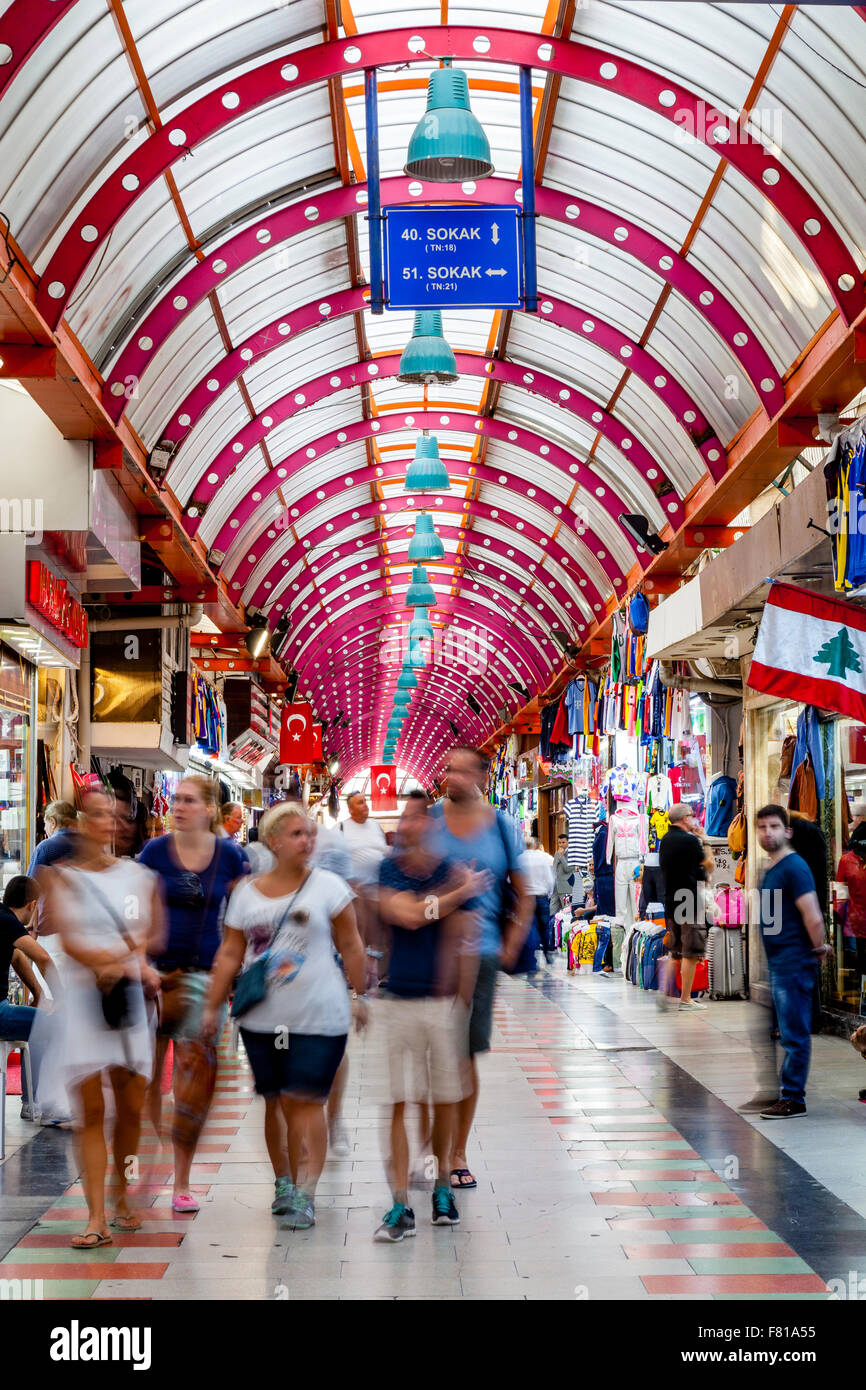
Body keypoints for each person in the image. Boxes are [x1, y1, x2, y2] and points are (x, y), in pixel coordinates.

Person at [204, 800, 367, 1231]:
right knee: (276, 1101)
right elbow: (230, 953)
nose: (307, 841)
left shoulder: (330, 888)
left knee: (307, 1099)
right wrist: (211, 1007)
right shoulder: (245, 895)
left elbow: (351, 944)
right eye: (297, 834)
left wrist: (362, 994)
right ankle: (284, 1182)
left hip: (320, 1016)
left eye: (310, 834)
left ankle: (306, 1192)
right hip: (265, 1021)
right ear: (273, 841)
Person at [41, 790, 164, 1247]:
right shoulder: (62, 878)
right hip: (84, 1004)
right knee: (89, 1112)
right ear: (81, 821)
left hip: (127, 1000)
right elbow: (66, 937)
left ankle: (121, 1190)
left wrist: (126, 962)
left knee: (129, 1109)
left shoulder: (139, 876)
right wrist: (103, 964)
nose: (108, 823)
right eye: (97, 814)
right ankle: (95, 1216)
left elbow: (152, 929)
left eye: (114, 816)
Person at [374, 791, 485, 1241]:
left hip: (442, 1004)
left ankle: (442, 1189)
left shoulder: (449, 870)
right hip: (398, 998)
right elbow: (409, 916)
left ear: (432, 825)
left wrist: (463, 1000)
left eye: (416, 817)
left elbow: (466, 939)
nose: (408, 824)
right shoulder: (389, 870)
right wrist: (459, 893)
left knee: (442, 1101)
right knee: (398, 1102)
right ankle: (400, 1203)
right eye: (404, 817)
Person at [138, 775, 248, 1212]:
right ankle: (149, 1156)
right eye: (176, 799)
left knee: (191, 1079)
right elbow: (136, 911)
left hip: (205, 977)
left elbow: (241, 922)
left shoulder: (231, 857)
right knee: (146, 1074)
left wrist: (231, 979)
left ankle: (181, 1179)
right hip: (152, 976)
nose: (178, 807)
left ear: (209, 810)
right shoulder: (153, 853)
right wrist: (140, 964)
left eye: (188, 800)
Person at [428, 745, 532, 1190]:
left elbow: (523, 890)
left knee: (464, 1055)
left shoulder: (501, 825)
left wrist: (510, 943)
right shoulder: (430, 819)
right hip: (431, 954)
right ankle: (432, 1147)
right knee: (434, 1055)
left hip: (481, 953)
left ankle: (456, 1151)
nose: (452, 776)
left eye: (462, 770)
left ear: (483, 777)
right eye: (448, 768)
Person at [755, 804, 830, 1119]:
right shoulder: (773, 869)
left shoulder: (795, 867)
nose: (767, 832)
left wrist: (820, 946)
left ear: (787, 831)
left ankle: (794, 1099)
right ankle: (781, 1093)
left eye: (774, 826)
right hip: (780, 964)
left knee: (794, 1033)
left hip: (794, 962)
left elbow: (811, 913)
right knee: (783, 1031)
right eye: (762, 827)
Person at [0, 876, 60, 1120]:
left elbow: (17, 957)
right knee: (60, 1025)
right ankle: (48, 1105)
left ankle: (32, 1102)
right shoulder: (7, 921)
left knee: (38, 1022)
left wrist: (40, 994)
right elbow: (43, 958)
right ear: (33, 905)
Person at [659, 803, 711, 1012]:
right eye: (692, 815)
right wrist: (704, 839)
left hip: (672, 901)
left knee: (675, 951)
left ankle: (665, 992)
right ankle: (686, 998)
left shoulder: (665, 840)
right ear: (684, 819)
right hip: (690, 900)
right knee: (690, 952)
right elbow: (709, 865)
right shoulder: (690, 841)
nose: (694, 818)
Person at [341, 791, 389, 987]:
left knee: (379, 935)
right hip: (354, 892)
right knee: (356, 936)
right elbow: (335, 859)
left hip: (377, 889)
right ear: (351, 809)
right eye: (360, 803)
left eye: (365, 801)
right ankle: (354, 976)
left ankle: (382, 974)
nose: (365, 805)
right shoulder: (341, 828)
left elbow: (383, 851)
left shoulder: (376, 826)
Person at [521, 836, 555, 965]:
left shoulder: (519, 859)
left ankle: (532, 958)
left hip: (526, 898)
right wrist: (549, 894)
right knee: (544, 927)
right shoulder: (543, 857)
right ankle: (547, 954)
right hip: (541, 896)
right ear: (535, 845)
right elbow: (550, 879)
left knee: (528, 928)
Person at [27, 801, 78, 873]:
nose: (44, 828)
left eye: (45, 823)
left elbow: (30, 881)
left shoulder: (45, 848)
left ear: (53, 822)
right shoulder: (86, 845)